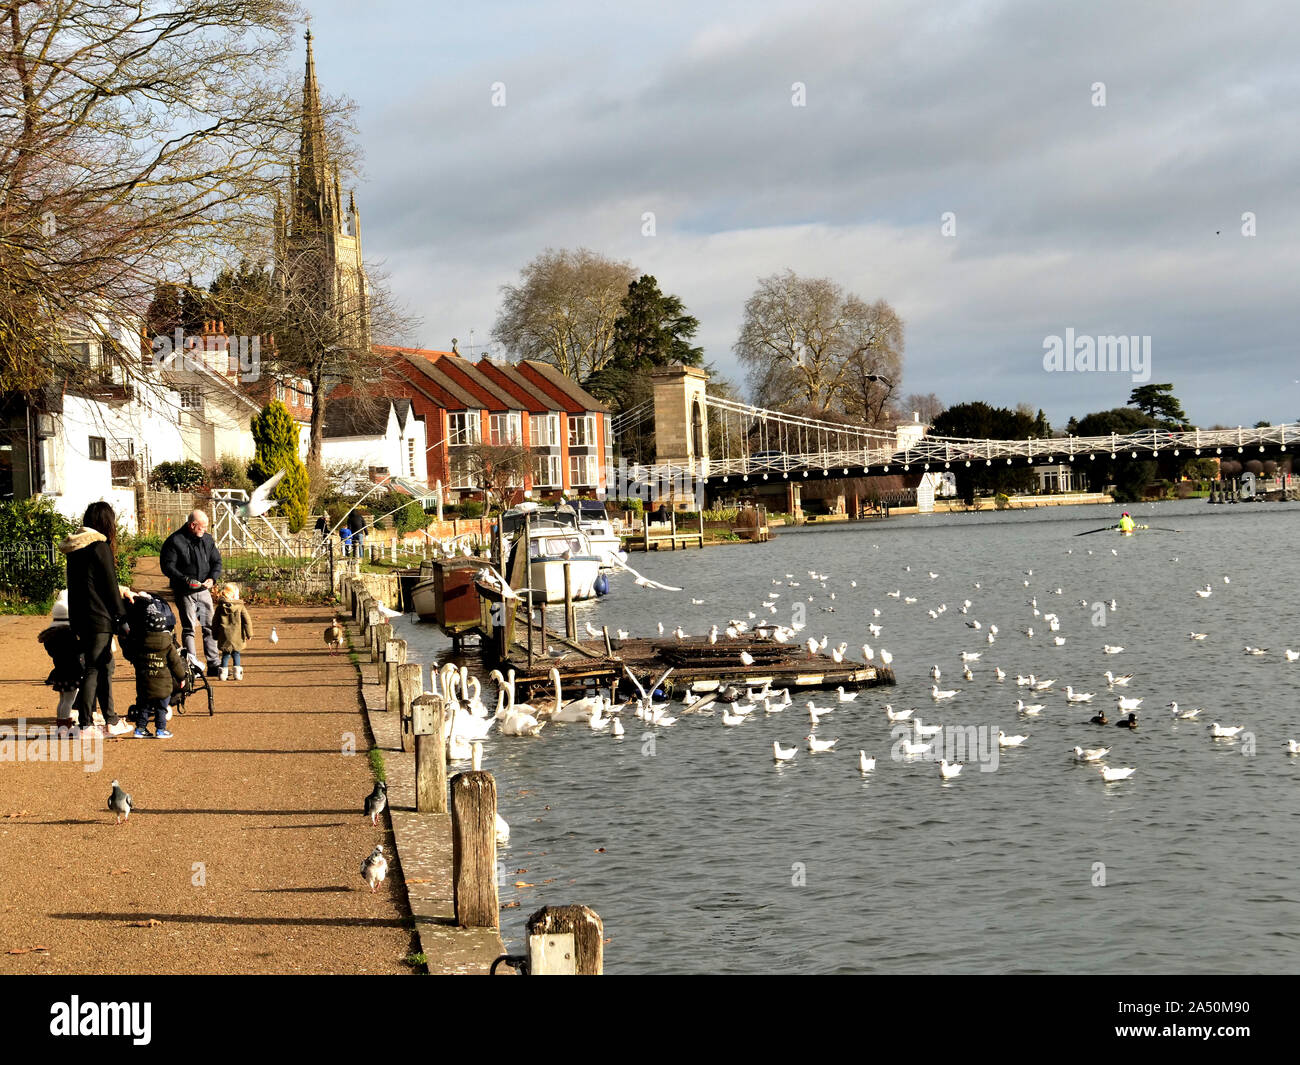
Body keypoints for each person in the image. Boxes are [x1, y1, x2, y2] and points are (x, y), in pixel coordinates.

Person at [59, 501, 134, 736]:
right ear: (106, 522)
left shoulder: (75, 549)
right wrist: (121, 617)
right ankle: (86, 723)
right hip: (99, 618)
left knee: (102, 666)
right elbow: (110, 587)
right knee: (94, 668)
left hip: (80, 617)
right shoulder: (99, 547)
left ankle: (109, 719)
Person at [160, 509, 223, 675]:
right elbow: (167, 566)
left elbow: (216, 561)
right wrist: (185, 580)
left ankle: (213, 663)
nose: (205, 530)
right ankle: (192, 666)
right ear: (192, 525)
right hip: (185, 592)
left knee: (208, 626)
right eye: (202, 527)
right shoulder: (175, 541)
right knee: (189, 628)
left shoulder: (207, 540)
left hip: (203, 590)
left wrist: (212, 578)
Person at [126, 593, 188, 738]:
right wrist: (182, 677)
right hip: (163, 684)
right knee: (161, 708)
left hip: (144, 682)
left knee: (144, 707)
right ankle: (160, 730)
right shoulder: (168, 644)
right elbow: (175, 663)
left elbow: (133, 656)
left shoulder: (140, 642)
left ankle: (140, 729)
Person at [38, 589, 81, 728]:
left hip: (59, 671)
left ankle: (61, 723)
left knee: (62, 700)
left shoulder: (50, 638)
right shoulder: (71, 636)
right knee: (69, 701)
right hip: (72, 673)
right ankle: (64, 726)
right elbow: (79, 650)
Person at [212, 582, 254, 681]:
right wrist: (249, 634)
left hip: (224, 636)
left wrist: (214, 634)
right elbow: (247, 621)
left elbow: (215, 622)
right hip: (237, 636)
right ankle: (237, 673)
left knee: (225, 654)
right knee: (236, 653)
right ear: (234, 595)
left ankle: (223, 674)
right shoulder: (240, 607)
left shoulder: (220, 607)